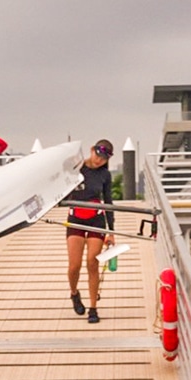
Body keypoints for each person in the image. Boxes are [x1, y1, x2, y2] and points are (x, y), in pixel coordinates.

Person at [65, 139, 116, 324]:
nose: (99, 160)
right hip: (76, 218)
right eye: (97, 155)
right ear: (91, 150)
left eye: (104, 159)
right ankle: (74, 293)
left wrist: (111, 232)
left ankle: (93, 308)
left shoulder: (105, 175)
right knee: (74, 266)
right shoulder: (76, 167)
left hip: (96, 219)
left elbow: (109, 202)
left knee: (92, 263)